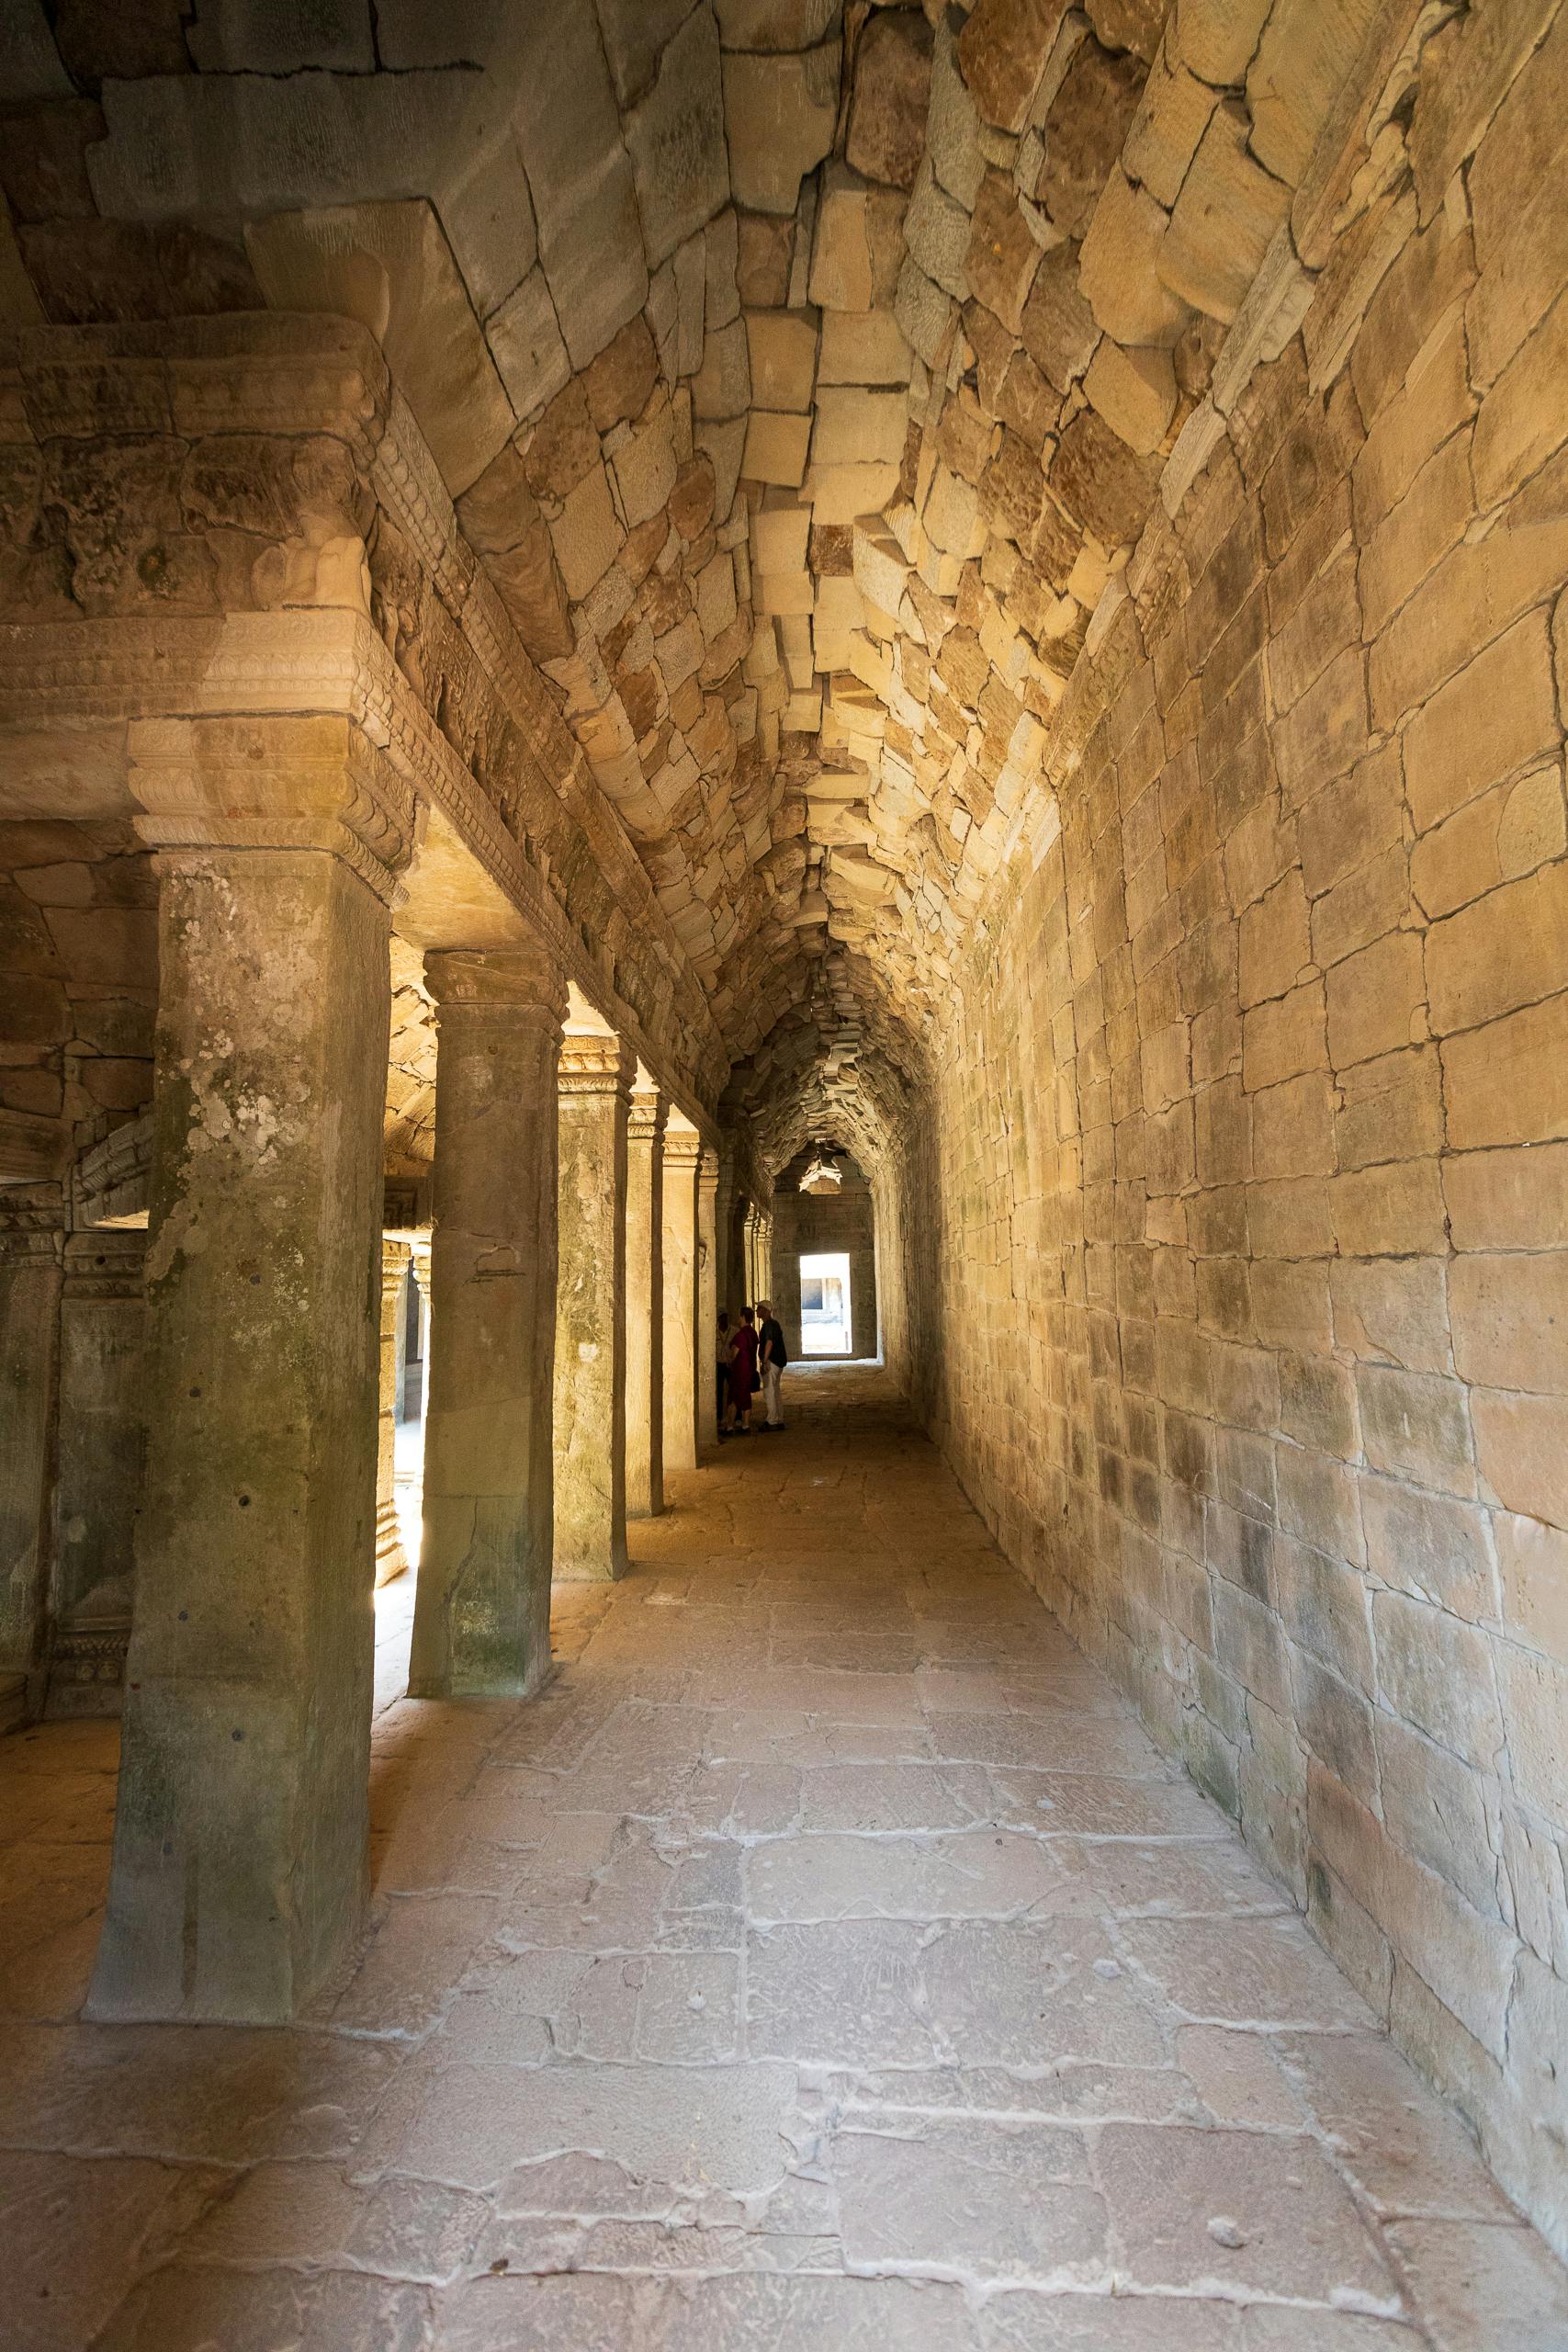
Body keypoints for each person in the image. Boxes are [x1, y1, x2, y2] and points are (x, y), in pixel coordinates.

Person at [757, 1299, 788, 1430]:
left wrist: (765, 1361)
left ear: (765, 1311)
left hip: (772, 1362)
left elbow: (769, 1343)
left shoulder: (768, 1325)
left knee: (769, 1391)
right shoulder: (774, 1324)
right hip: (778, 1362)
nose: (757, 1310)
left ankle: (772, 1421)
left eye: (759, 1308)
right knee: (775, 1391)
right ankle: (779, 1418)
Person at [726, 1306, 758, 1436]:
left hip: (739, 1370)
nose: (738, 1318)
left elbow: (734, 1353)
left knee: (733, 1398)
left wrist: (729, 1361)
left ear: (743, 1317)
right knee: (746, 1397)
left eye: (739, 1316)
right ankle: (745, 1425)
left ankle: (729, 1427)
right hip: (750, 1369)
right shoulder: (753, 1333)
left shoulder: (740, 1335)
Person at [715, 1311, 731, 1441]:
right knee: (719, 1391)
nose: (724, 1321)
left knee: (732, 1390)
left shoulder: (734, 1331)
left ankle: (733, 1417)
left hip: (730, 1364)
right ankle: (719, 1417)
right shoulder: (714, 1332)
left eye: (726, 1318)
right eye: (722, 1318)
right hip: (719, 1364)